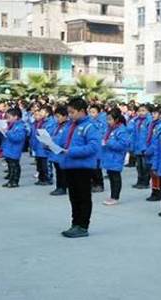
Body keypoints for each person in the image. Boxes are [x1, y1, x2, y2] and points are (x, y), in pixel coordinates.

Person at [59, 97, 101, 238]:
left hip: (83, 167)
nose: (70, 115)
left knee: (83, 197)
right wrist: (49, 144)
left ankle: (83, 226)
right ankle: (75, 223)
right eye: (69, 112)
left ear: (82, 111)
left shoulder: (90, 126)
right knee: (73, 197)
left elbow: (93, 147)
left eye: (72, 112)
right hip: (69, 165)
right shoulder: (70, 125)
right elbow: (62, 141)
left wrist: (72, 151)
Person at [101, 109, 130, 206]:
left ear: (116, 119)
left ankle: (115, 197)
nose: (108, 121)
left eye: (110, 119)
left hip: (116, 157)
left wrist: (108, 142)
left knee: (115, 177)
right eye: (107, 119)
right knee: (111, 176)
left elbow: (123, 145)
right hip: (109, 156)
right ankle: (112, 195)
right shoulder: (109, 129)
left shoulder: (121, 130)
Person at [1, 107, 27, 188]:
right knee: (10, 167)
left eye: (9, 117)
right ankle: (10, 180)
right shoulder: (13, 125)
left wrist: (8, 133)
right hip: (9, 149)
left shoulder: (20, 126)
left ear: (16, 117)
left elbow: (18, 138)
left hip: (14, 149)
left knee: (14, 166)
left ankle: (15, 181)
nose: (7, 119)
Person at [145, 107, 161, 202]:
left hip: (156, 153)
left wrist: (149, 150)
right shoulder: (152, 124)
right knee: (152, 173)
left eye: (156, 113)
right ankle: (154, 191)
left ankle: (158, 192)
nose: (153, 115)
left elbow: (156, 142)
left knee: (156, 173)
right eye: (152, 113)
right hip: (150, 152)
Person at [49, 106, 70, 196]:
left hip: (62, 153)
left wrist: (53, 141)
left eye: (58, 116)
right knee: (58, 170)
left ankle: (62, 187)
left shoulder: (67, 127)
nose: (57, 119)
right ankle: (59, 186)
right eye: (56, 116)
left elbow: (64, 140)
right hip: (56, 153)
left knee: (62, 172)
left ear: (65, 116)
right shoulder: (57, 126)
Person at [31, 105, 55, 185]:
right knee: (39, 165)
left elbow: (49, 133)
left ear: (47, 113)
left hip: (45, 146)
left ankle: (48, 179)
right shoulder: (39, 121)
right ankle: (41, 179)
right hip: (38, 146)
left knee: (46, 164)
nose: (40, 113)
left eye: (42, 112)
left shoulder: (50, 122)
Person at [132, 104, 152, 189]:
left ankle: (145, 182)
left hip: (145, 147)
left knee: (145, 166)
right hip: (137, 147)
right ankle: (139, 180)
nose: (141, 112)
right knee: (138, 166)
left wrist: (147, 147)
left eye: (143, 110)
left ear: (148, 112)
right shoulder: (136, 121)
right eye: (139, 111)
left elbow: (150, 136)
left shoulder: (149, 121)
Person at [88, 104, 106, 193]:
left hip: (98, 148)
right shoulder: (87, 123)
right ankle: (91, 183)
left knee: (97, 168)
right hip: (89, 148)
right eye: (90, 112)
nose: (91, 114)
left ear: (98, 113)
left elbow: (103, 135)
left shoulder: (102, 123)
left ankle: (99, 184)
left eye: (93, 112)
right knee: (90, 167)